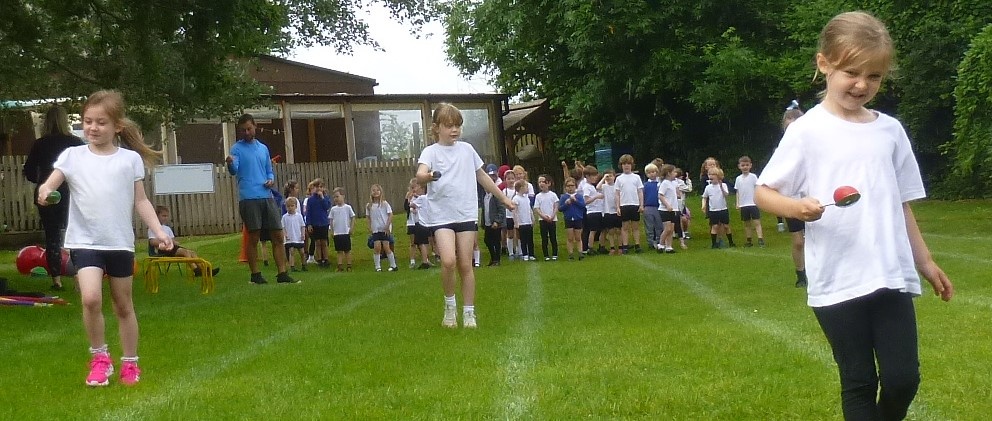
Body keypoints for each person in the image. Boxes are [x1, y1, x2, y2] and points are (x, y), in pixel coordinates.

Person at [754, 11, 953, 420]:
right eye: (851, 72)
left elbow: (901, 203)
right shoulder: (807, 131)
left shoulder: (890, 130)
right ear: (824, 64)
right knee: (859, 380)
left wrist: (926, 261)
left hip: (890, 274)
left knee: (902, 378)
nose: (862, 85)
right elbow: (763, 191)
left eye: (874, 76)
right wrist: (796, 208)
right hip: (837, 277)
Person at [36, 89, 173, 387]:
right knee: (90, 298)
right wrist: (45, 193)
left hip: (119, 243)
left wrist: (159, 231)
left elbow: (141, 201)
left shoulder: (129, 160)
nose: (92, 128)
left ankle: (130, 363)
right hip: (84, 242)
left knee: (123, 305)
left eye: (101, 122)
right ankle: (100, 359)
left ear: (117, 127)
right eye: (87, 121)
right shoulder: (72, 156)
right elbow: (48, 185)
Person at [416, 103, 514, 329]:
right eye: (449, 126)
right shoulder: (430, 152)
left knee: (465, 264)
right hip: (441, 214)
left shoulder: (467, 150)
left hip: (466, 212)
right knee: (448, 260)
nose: (454, 130)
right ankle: (450, 307)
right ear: (436, 127)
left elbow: (482, 177)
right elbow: (420, 174)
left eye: (457, 126)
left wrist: (503, 199)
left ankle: (469, 312)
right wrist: (429, 175)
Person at [225, 114, 296, 284]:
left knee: (278, 235)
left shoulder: (263, 148)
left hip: (267, 195)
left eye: (249, 129)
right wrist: (229, 163)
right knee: (254, 236)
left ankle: (282, 274)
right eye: (243, 130)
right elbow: (234, 170)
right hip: (248, 198)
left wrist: (270, 179)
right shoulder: (236, 149)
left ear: (255, 127)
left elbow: (268, 170)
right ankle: (255, 275)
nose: (247, 132)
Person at [22, 105, 85, 290]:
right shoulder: (75, 142)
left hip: (47, 192)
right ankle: (78, 276)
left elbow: (29, 171)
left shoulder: (40, 143)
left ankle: (56, 279)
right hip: (70, 192)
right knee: (75, 234)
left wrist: (41, 181)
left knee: (52, 236)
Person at [780, 105, 809, 287]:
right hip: (793, 201)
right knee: (798, 242)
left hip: (813, 199)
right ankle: (801, 275)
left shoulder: (814, 147)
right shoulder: (782, 151)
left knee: (818, 241)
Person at [148, 206, 221, 277]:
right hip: (162, 250)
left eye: (167, 216)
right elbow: (152, 241)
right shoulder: (153, 228)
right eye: (163, 216)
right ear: (157, 216)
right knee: (185, 252)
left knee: (192, 252)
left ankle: (204, 269)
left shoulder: (167, 228)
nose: (165, 218)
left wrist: (174, 242)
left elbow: (172, 240)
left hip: (171, 248)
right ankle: (196, 270)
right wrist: (165, 242)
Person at [615, 154, 644, 253]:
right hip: (624, 205)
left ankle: (637, 244)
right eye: (624, 164)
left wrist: (641, 205)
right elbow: (617, 194)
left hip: (634, 204)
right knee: (625, 227)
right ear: (621, 165)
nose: (626, 166)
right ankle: (625, 245)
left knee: (635, 226)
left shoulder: (636, 177)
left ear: (632, 165)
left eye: (628, 164)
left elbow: (640, 192)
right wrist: (618, 207)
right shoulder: (619, 178)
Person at [367, 184, 398, 272]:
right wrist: (369, 227)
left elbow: (390, 214)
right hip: (376, 229)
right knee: (377, 247)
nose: (375, 192)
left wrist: (387, 226)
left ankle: (393, 265)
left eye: (377, 190)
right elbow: (368, 217)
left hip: (384, 228)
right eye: (373, 190)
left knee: (386, 246)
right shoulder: (369, 206)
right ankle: (378, 267)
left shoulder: (384, 204)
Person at [735, 156, 765, 247]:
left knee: (756, 222)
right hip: (743, 204)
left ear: (750, 165)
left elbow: (757, 188)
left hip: (753, 203)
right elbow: (737, 192)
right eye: (743, 165)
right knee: (747, 223)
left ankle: (760, 239)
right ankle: (749, 240)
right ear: (739, 166)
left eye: (747, 165)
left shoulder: (753, 177)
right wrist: (738, 203)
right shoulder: (738, 178)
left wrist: (758, 200)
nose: (745, 167)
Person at [702, 167, 735, 248]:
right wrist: (703, 205)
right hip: (713, 210)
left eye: (713, 174)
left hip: (723, 209)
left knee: (726, 226)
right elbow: (704, 197)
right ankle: (714, 244)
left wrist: (721, 187)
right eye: (709, 174)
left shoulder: (723, 185)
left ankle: (731, 242)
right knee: (715, 226)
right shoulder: (708, 187)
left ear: (718, 176)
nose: (711, 176)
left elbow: (726, 195)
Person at [482, 166, 506, 266]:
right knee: (487, 240)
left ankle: (497, 259)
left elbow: (501, 209)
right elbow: (485, 210)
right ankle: (493, 258)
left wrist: (497, 221)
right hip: (488, 222)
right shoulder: (485, 197)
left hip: (495, 222)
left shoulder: (495, 195)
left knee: (496, 241)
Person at [305, 178, 331, 268]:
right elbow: (308, 213)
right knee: (317, 242)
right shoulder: (311, 200)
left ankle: (326, 259)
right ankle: (319, 259)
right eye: (316, 187)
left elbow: (326, 207)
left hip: (323, 223)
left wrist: (322, 197)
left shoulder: (326, 198)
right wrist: (309, 224)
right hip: (315, 223)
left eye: (320, 187)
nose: (318, 189)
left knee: (324, 242)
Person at [533, 174, 559, 261]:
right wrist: (543, 216)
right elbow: (537, 208)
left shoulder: (553, 195)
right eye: (539, 182)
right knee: (544, 238)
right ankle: (546, 255)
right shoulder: (538, 196)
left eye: (543, 182)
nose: (541, 184)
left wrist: (552, 216)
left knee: (553, 237)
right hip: (543, 220)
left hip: (552, 219)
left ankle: (555, 254)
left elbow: (556, 206)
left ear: (548, 183)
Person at [558, 177, 585, 260]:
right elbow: (560, 208)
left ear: (575, 186)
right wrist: (566, 204)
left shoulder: (579, 196)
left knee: (578, 237)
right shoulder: (563, 197)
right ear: (565, 187)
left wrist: (575, 201)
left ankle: (580, 252)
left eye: (572, 185)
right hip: (568, 219)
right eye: (568, 186)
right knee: (570, 238)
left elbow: (583, 206)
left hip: (578, 218)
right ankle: (571, 254)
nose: (570, 187)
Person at [329, 189, 356, 272]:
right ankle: (340, 266)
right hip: (337, 233)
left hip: (345, 232)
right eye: (334, 197)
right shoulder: (333, 209)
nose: (336, 199)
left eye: (337, 196)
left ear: (343, 196)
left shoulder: (347, 207)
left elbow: (353, 217)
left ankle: (349, 265)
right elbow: (331, 220)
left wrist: (351, 228)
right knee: (339, 251)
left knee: (347, 250)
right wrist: (332, 231)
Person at [597, 170, 621, 254]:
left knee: (618, 230)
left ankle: (620, 247)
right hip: (607, 211)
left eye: (611, 176)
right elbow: (598, 187)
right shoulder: (604, 186)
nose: (609, 178)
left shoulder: (617, 186)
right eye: (607, 176)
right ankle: (612, 247)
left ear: (614, 177)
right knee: (610, 231)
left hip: (616, 210)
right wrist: (604, 178)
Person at [512, 179, 536, 261]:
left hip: (528, 221)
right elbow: (514, 211)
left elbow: (529, 209)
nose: (527, 188)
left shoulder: (526, 198)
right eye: (526, 187)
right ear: (521, 188)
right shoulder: (516, 199)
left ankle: (532, 254)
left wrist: (532, 218)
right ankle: (525, 254)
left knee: (530, 239)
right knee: (523, 239)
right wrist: (516, 222)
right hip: (521, 222)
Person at [282, 197, 307, 272]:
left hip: (298, 237)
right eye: (288, 206)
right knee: (291, 251)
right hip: (290, 238)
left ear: (296, 206)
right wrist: (285, 234)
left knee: (302, 252)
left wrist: (303, 234)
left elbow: (302, 226)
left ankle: (304, 265)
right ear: (286, 207)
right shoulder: (284, 217)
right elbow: (283, 227)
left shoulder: (299, 216)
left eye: (292, 206)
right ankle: (292, 266)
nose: (290, 208)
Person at [658, 164, 679, 253]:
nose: (676, 173)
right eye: (674, 172)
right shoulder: (665, 183)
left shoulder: (673, 183)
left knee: (671, 229)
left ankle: (669, 246)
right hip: (665, 209)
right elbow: (661, 195)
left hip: (673, 209)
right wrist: (667, 205)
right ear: (668, 173)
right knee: (668, 228)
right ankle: (661, 244)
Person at [642, 163, 663, 251]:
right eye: (649, 173)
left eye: (653, 172)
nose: (652, 174)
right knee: (649, 226)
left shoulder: (660, 184)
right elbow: (642, 195)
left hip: (659, 207)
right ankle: (650, 242)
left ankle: (659, 241)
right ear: (647, 174)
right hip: (648, 207)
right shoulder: (645, 185)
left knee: (659, 226)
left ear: (657, 172)